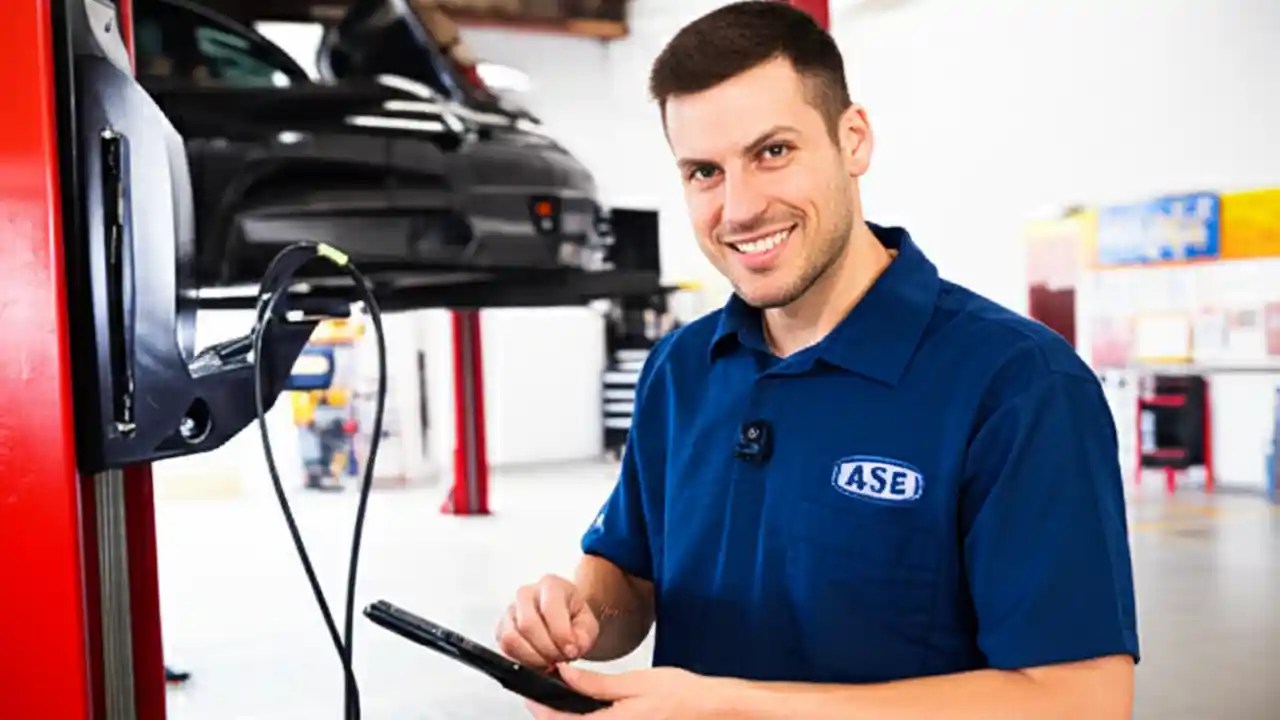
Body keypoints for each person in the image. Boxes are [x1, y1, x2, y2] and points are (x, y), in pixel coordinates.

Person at [495, 3, 1140, 717]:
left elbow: (1080, 700)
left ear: (853, 139)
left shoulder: (1017, 386)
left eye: (773, 151)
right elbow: (633, 581)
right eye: (705, 171)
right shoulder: (681, 368)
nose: (738, 208)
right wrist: (575, 612)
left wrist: (733, 709)